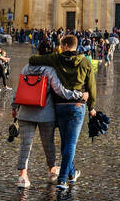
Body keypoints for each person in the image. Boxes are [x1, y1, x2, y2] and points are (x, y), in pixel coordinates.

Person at [14, 38, 90, 188]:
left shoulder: (26, 68)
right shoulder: (49, 70)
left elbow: (19, 88)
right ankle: (52, 171)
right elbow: (60, 91)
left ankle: (23, 176)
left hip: (25, 111)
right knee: (48, 144)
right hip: (45, 112)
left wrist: (14, 106)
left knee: (25, 144)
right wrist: (79, 95)